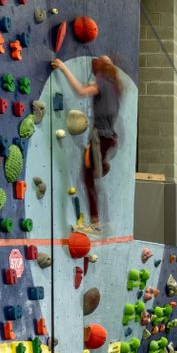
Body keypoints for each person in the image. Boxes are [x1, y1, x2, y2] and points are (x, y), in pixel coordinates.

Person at [49, 56, 123, 229]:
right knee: (89, 175)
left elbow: (81, 92)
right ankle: (101, 165)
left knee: (89, 178)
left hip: (101, 138)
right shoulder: (115, 86)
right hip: (108, 138)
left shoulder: (103, 83)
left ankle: (96, 222)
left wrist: (63, 67)